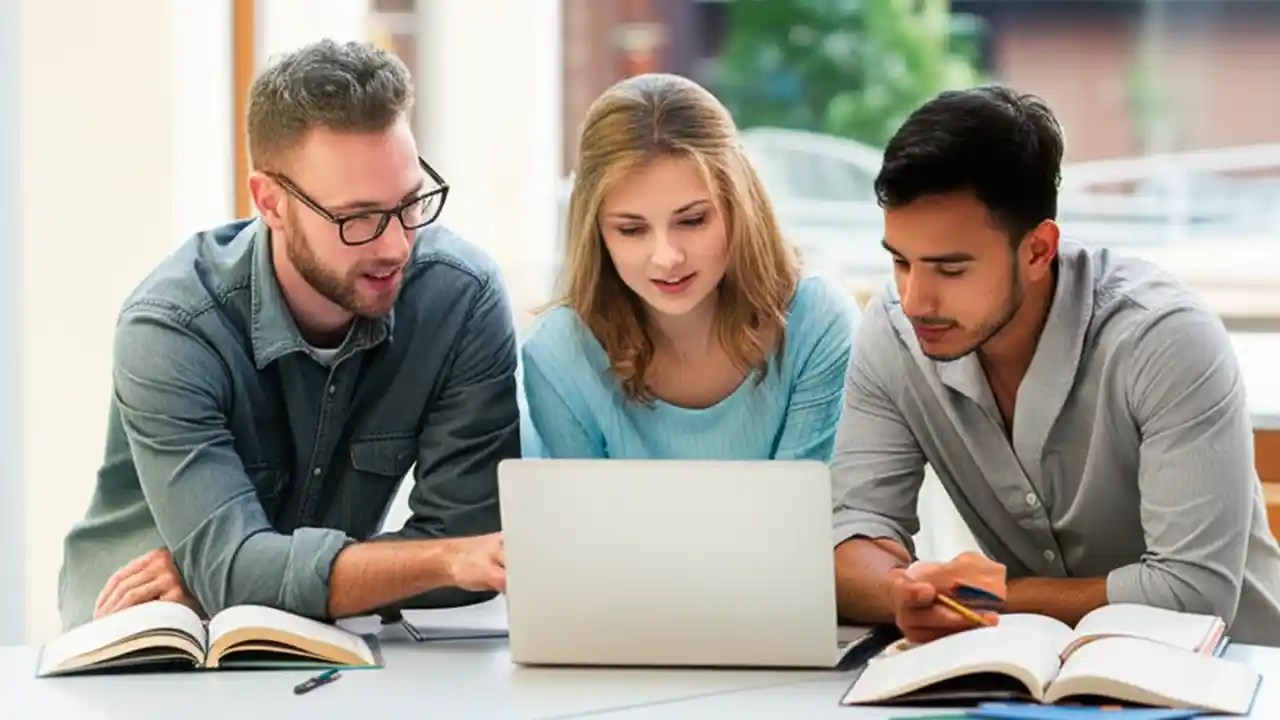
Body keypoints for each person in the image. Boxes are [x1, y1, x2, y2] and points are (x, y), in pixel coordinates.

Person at [57, 39, 519, 630]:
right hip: (147, 638)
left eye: (409, 204)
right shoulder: (172, 327)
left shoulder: (461, 297)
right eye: (357, 219)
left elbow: (476, 552)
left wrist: (238, 578)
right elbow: (457, 558)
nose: (396, 245)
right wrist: (232, 575)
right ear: (270, 201)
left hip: (320, 645)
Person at [830, 84, 1280, 646]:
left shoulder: (1164, 338)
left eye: (951, 270)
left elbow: (1191, 594)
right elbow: (852, 540)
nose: (916, 300)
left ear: (1039, 250)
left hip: (1235, 675)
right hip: (1031, 681)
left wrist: (986, 598)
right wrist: (904, 594)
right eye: (900, 261)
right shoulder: (893, 334)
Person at [520, 73, 859, 461]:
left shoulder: (816, 322)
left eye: (693, 220)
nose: (666, 257)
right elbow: (578, 519)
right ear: (595, 232)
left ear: (740, 206)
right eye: (631, 229)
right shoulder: (558, 353)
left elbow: (807, 511)